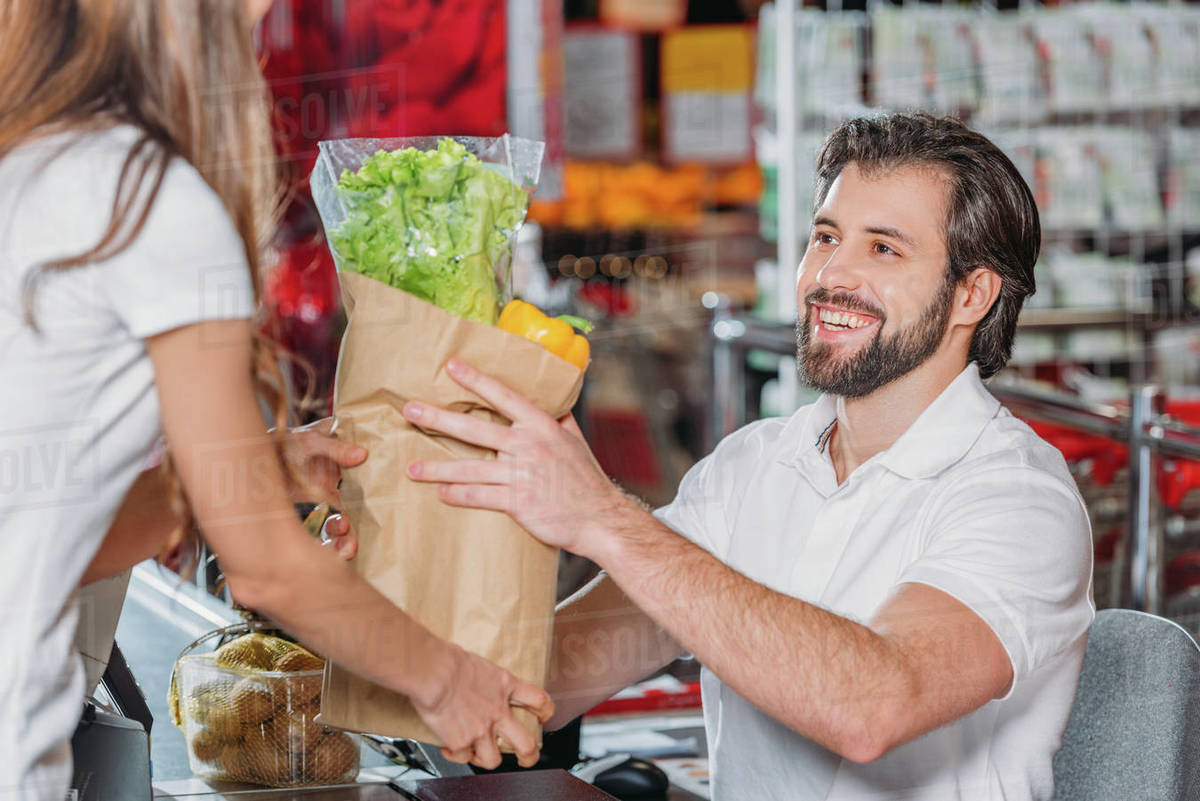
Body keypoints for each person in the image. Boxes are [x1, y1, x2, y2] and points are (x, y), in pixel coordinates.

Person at [402, 113, 1094, 799]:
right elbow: (544, 678)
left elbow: (872, 705)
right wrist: (395, 574)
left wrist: (603, 517)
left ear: (972, 293)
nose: (831, 274)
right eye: (825, 236)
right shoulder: (755, 464)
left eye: (884, 249)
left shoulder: (1019, 496)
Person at [0, 2, 551, 799]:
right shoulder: (151, 200)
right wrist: (446, 679)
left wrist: (256, 468)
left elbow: (51, 523)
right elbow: (267, 570)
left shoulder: (32, 163)